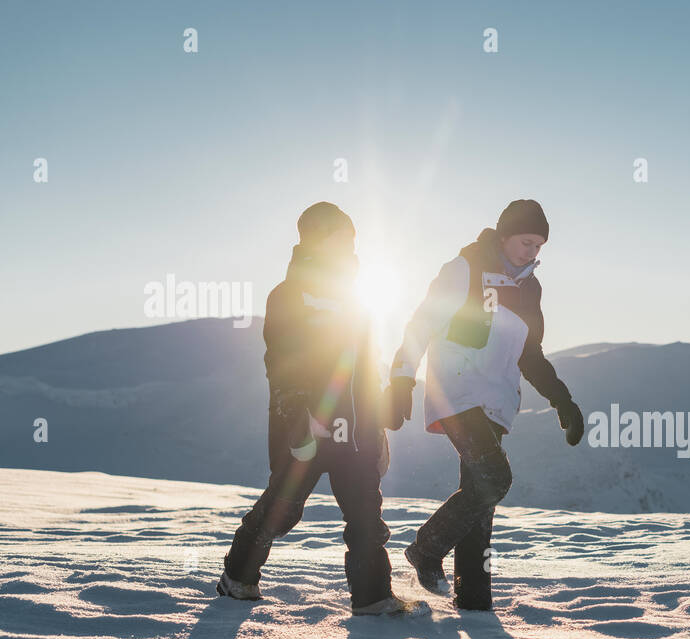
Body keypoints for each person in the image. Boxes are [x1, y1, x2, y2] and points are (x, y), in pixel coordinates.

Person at [386, 199, 584, 611]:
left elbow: (530, 354)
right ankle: (426, 549)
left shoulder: (530, 288)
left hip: (496, 401)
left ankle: (473, 598)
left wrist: (561, 399)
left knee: (479, 494)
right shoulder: (465, 268)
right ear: (505, 234)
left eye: (539, 246)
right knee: (495, 478)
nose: (533, 252)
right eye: (527, 242)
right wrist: (402, 377)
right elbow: (421, 323)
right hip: (456, 391)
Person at [218, 202, 405, 615]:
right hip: (306, 425)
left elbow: (365, 365)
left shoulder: (359, 299)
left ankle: (373, 597)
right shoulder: (289, 296)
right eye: (340, 241)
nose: (349, 250)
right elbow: (281, 361)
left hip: (355, 430)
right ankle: (238, 576)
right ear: (314, 242)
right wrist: (297, 412)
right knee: (282, 511)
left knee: (365, 514)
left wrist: (378, 414)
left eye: (352, 242)